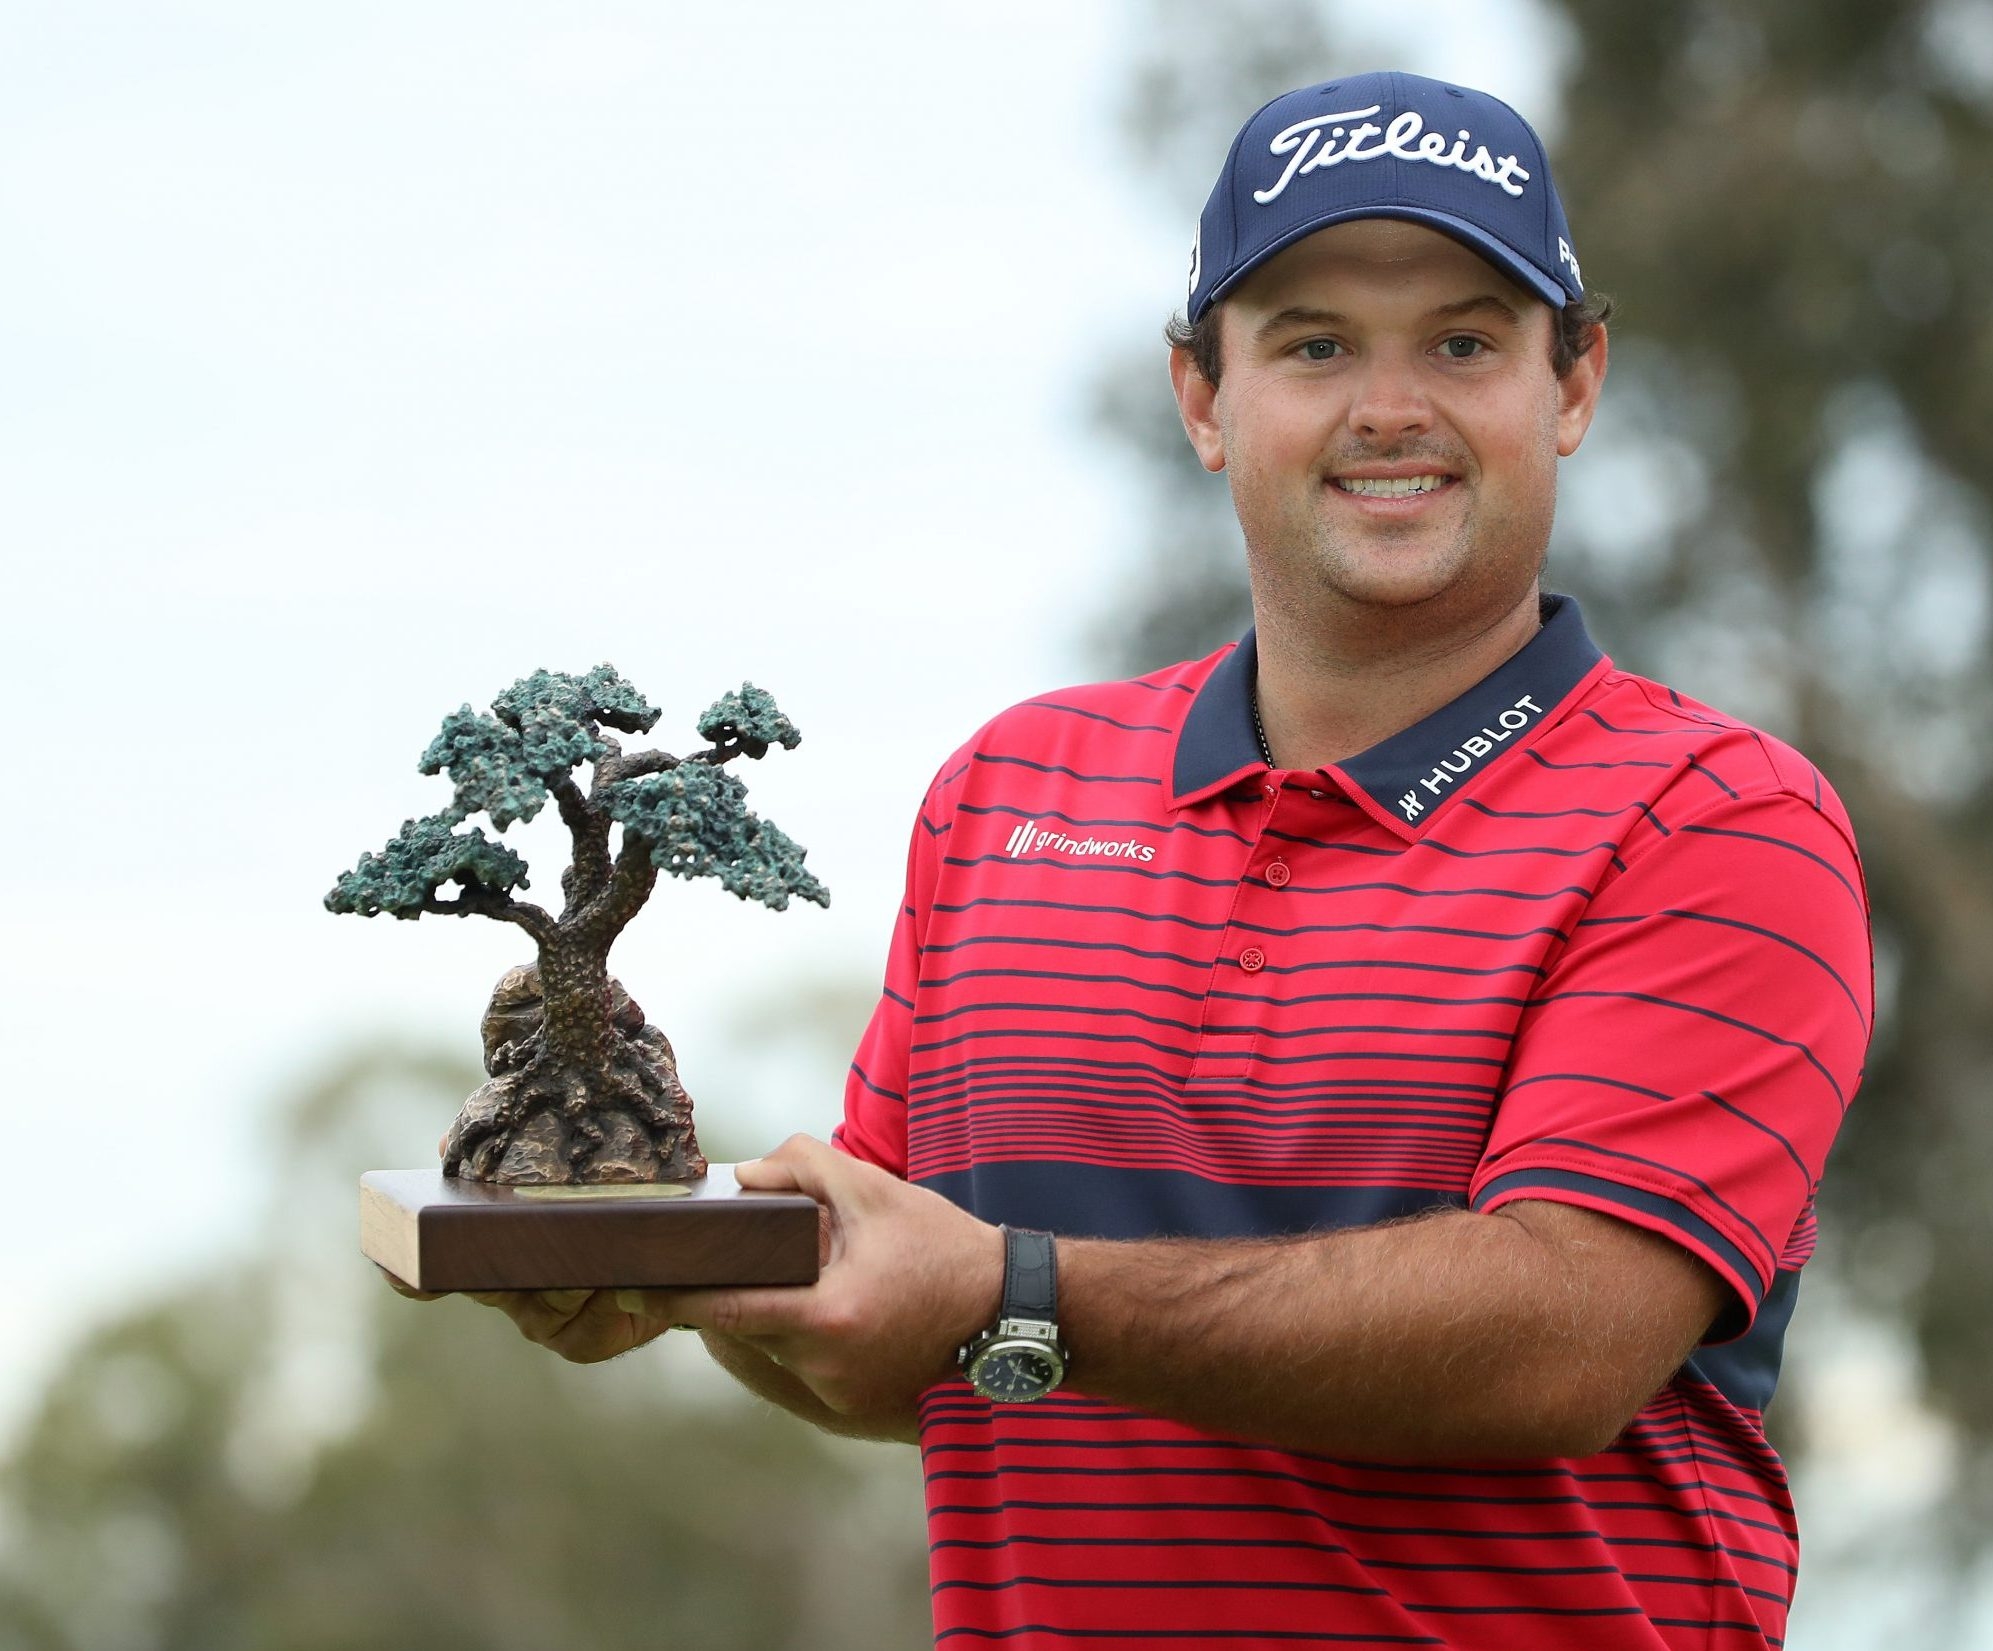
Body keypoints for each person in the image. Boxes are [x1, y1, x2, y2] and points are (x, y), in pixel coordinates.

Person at [443, 71, 1871, 1650]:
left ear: (1574, 384)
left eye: (1462, 343)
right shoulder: (1005, 792)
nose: (1388, 406)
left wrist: (1013, 1292)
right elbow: (916, 1342)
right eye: (1314, 343)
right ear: (1200, 396)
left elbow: (1558, 1345)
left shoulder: (1711, 820)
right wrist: (681, 1286)